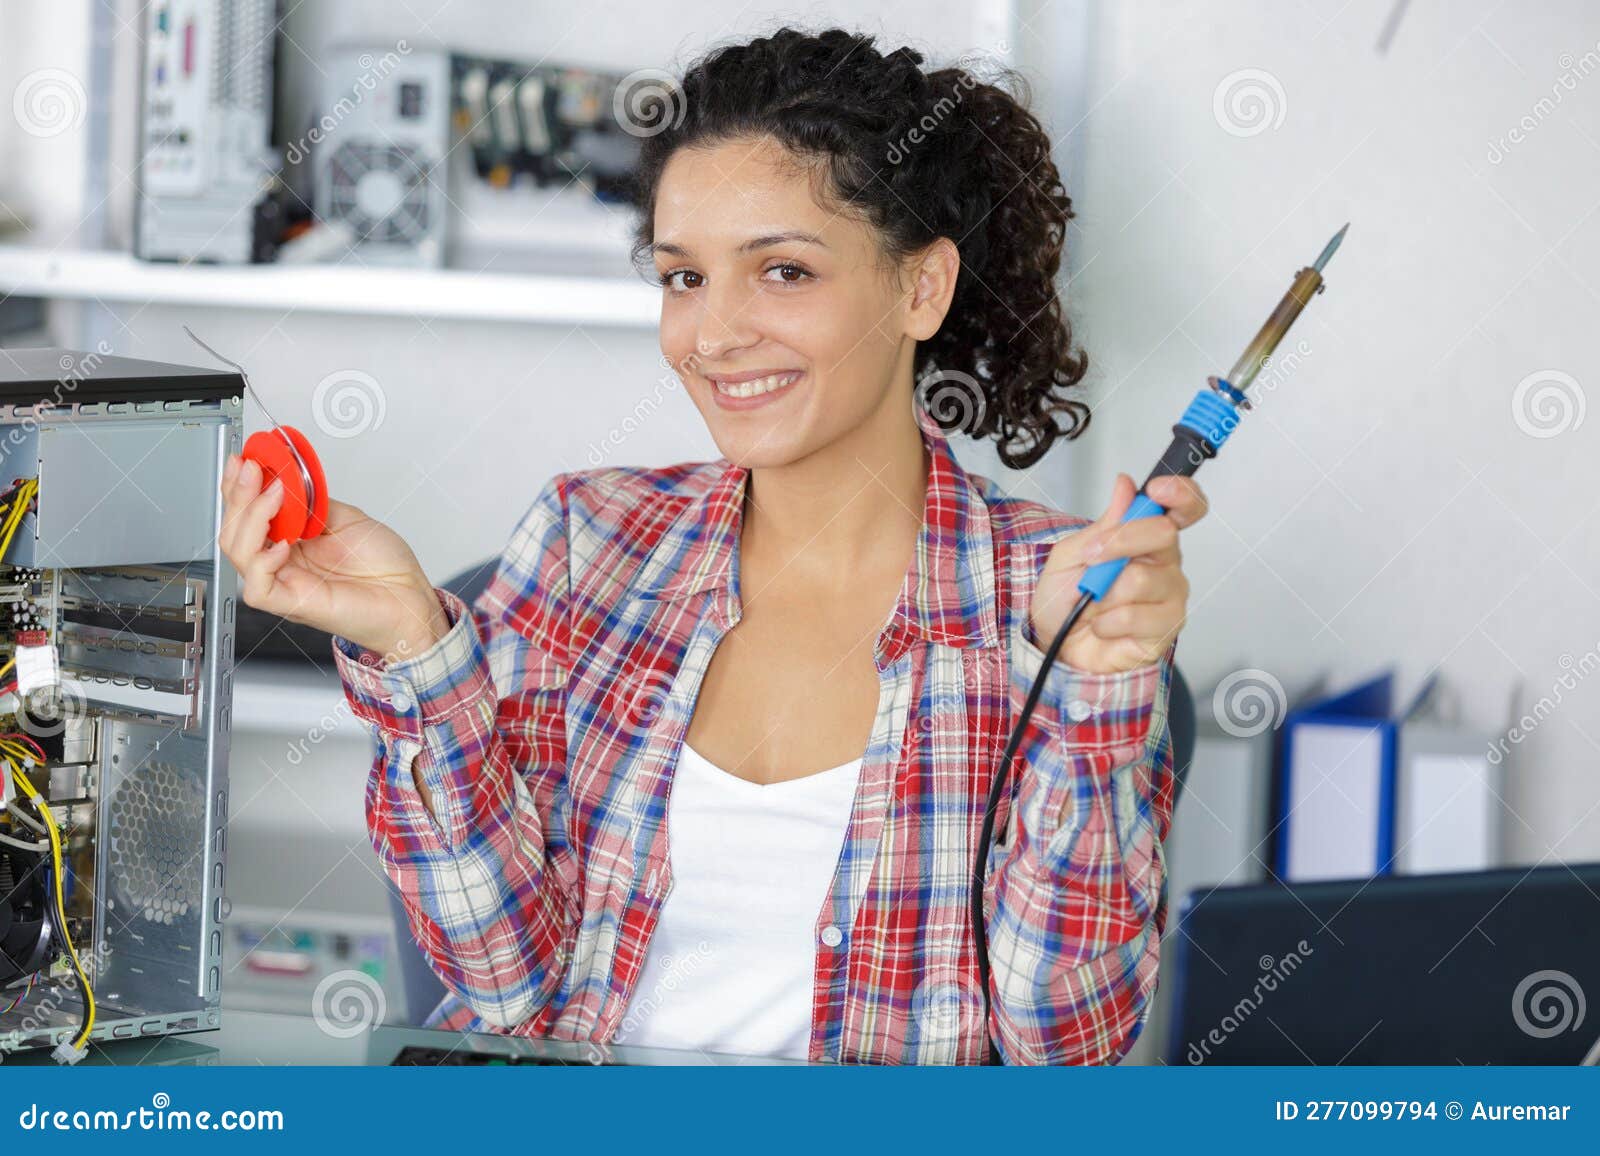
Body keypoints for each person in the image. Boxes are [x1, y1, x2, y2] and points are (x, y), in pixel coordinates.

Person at [218, 26, 1208, 1065]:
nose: (714, 333)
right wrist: (415, 643)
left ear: (921, 288)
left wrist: (1096, 697)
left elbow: (1064, 1048)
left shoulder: (1050, 601)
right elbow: (500, 985)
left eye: (781, 270)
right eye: (683, 277)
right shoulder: (586, 540)